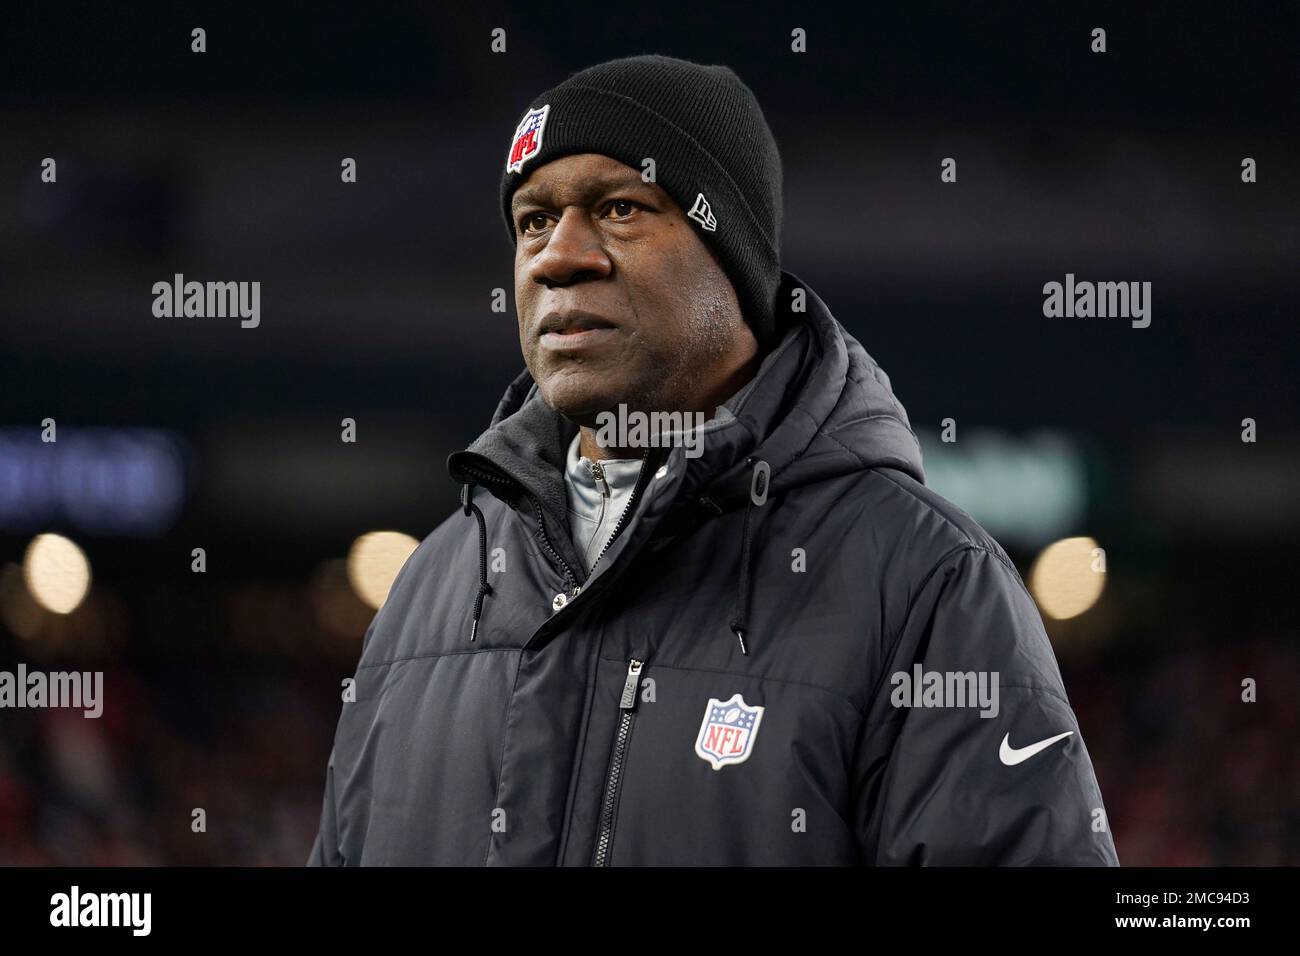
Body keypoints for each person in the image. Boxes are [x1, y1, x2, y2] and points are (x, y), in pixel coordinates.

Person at [308, 54, 1119, 866]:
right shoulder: (431, 592)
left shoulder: (926, 583)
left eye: (619, 208)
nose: (557, 255)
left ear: (733, 261)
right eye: (532, 220)